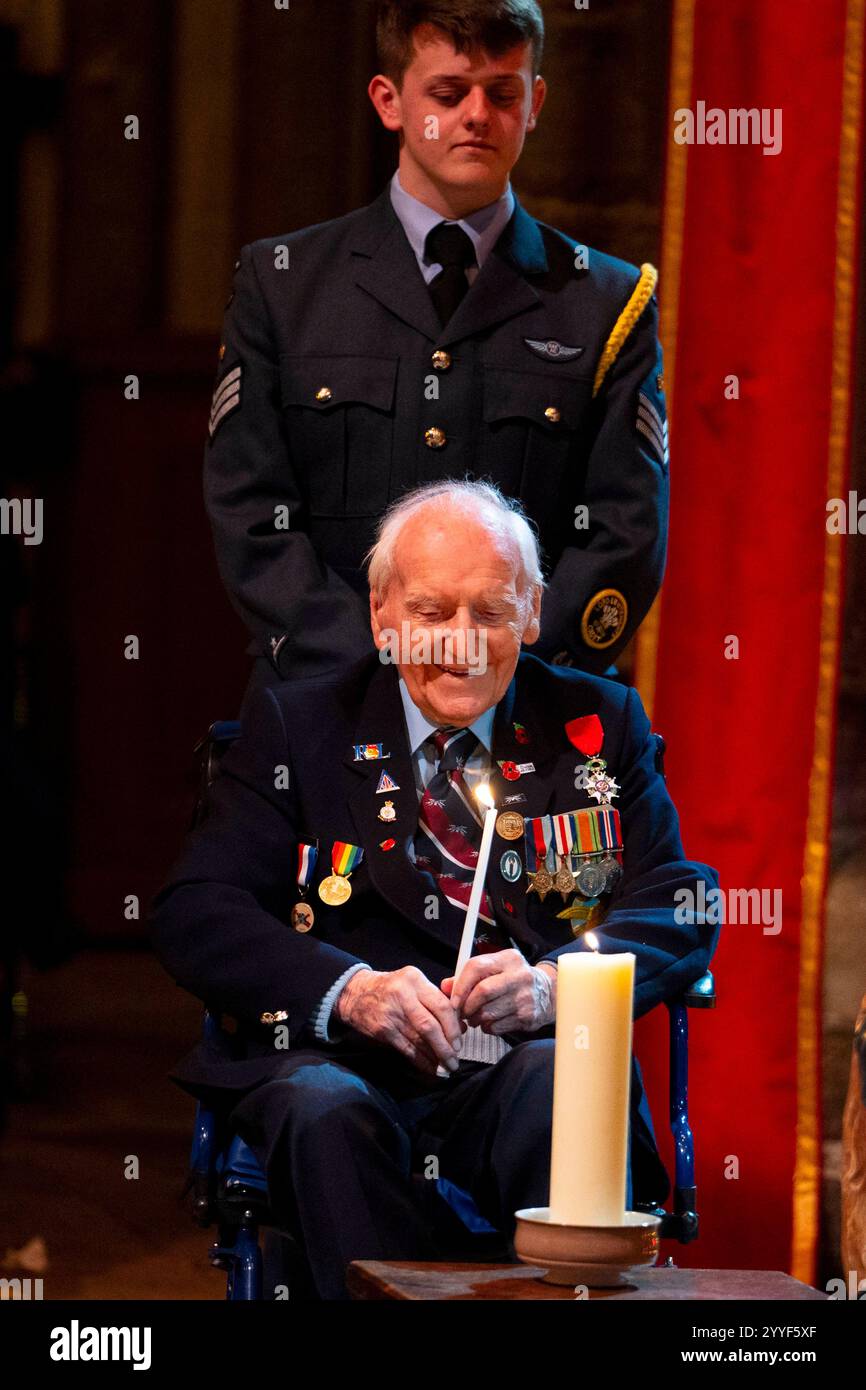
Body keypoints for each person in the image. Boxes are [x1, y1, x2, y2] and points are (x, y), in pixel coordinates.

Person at [150, 480, 718, 1301]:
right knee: (320, 1109)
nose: (461, 643)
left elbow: (679, 897)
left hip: (517, 1068)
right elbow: (197, 909)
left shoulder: (597, 722)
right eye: (431, 612)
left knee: (560, 1081)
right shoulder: (300, 728)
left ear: (531, 614)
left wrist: (559, 984)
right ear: (382, 615)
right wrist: (347, 991)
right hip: (343, 1067)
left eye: (490, 614)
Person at [204, 0, 670, 707]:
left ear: (535, 103)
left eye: (503, 93)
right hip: (326, 704)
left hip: (528, 711)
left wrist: (495, 672)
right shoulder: (285, 283)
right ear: (390, 102)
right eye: (449, 94)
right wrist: (376, 669)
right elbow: (251, 511)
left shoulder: (603, 300)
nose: (478, 115)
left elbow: (624, 533)